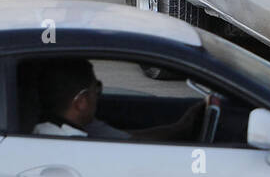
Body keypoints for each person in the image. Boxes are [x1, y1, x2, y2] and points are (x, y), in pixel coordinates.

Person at [33, 58, 203, 141]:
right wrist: (181, 129)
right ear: (81, 102)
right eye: (97, 88)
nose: (99, 95)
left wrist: (179, 128)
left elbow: (128, 138)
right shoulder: (74, 143)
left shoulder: (75, 127)